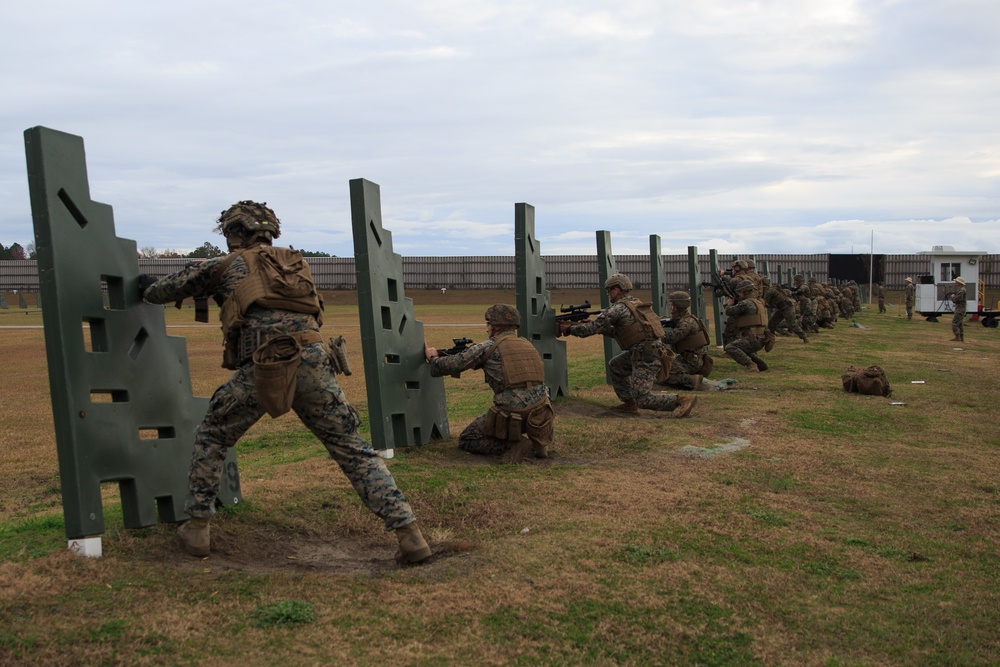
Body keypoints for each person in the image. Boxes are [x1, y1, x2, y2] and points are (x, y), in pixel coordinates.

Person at [140, 201, 431, 565]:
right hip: (315, 361)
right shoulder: (296, 264)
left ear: (235, 233)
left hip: (266, 362)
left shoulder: (226, 265)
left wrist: (148, 286)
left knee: (213, 435)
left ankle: (197, 527)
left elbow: (164, 291)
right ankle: (409, 533)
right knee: (352, 448)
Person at [424, 304, 554, 461]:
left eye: (488, 324)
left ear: (496, 326)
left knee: (468, 438)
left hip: (514, 413)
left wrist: (433, 357)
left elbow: (453, 365)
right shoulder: (527, 344)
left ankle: (514, 446)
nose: (487, 329)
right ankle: (539, 444)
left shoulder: (489, 346)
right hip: (542, 410)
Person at [559, 274, 696, 417]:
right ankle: (629, 404)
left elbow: (591, 329)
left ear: (617, 290)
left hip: (646, 355)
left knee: (643, 399)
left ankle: (680, 400)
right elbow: (619, 332)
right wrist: (598, 327)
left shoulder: (618, 309)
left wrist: (569, 329)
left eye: (609, 290)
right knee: (616, 366)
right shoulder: (635, 304)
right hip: (646, 351)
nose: (608, 293)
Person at [657, 291, 735, 391]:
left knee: (665, 374)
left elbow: (671, 338)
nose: (670, 307)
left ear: (674, 306)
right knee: (660, 370)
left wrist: (656, 332)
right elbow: (666, 320)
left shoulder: (686, 323)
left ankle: (696, 381)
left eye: (671, 304)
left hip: (692, 361)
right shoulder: (685, 318)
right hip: (690, 358)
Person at [724, 279, 769, 372]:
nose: (739, 295)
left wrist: (729, 304)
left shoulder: (746, 303)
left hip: (752, 339)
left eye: (740, 292)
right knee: (744, 349)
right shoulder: (759, 302)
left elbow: (729, 311)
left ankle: (751, 365)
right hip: (761, 338)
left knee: (730, 347)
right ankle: (761, 364)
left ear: (745, 292)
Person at [950, 277, 967, 342]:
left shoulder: (961, 290)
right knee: (960, 324)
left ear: (959, 283)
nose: (955, 283)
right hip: (961, 309)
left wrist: (953, 297)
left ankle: (957, 336)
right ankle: (961, 337)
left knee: (954, 323)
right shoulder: (962, 290)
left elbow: (958, 300)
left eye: (956, 282)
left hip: (960, 309)